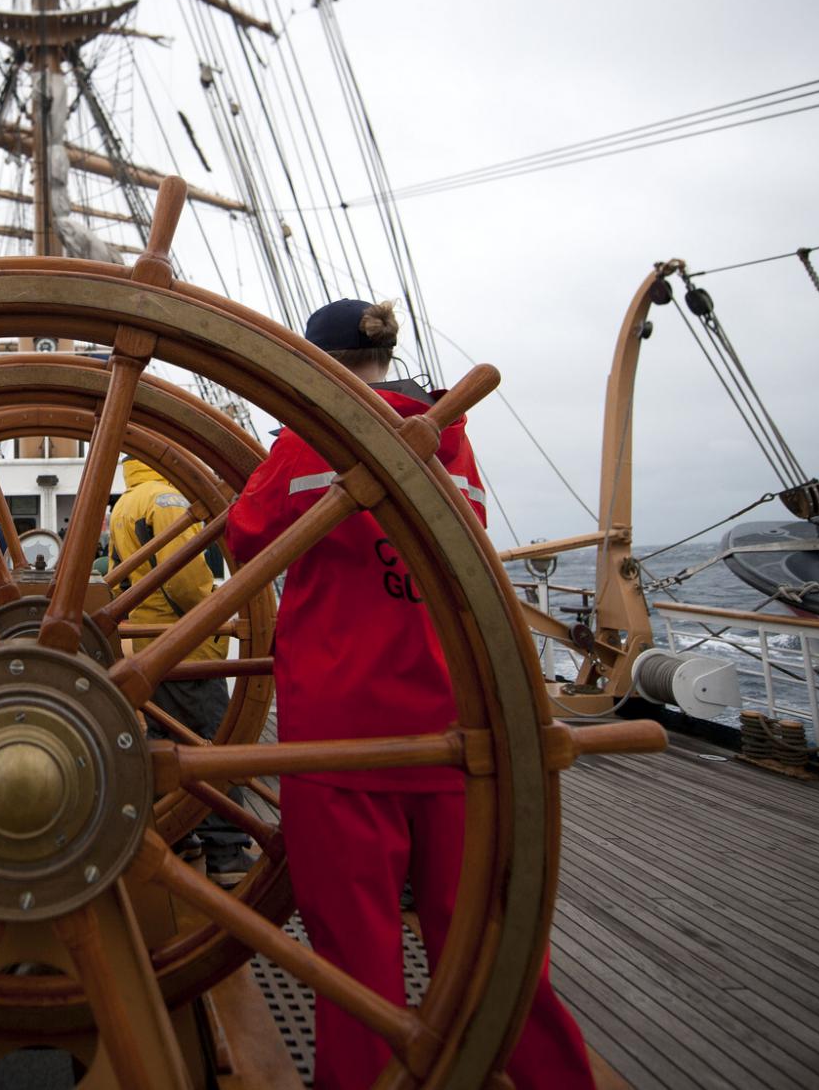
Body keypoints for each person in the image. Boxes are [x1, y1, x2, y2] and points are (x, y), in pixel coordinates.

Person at [225, 298, 595, 1090]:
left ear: (315, 363)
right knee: (497, 942)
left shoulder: (307, 439)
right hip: (454, 728)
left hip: (342, 735)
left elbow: (245, 534)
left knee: (358, 960)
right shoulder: (455, 444)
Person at [109, 457, 256, 884]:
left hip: (146, 646)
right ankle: (226, 849)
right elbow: (186, 578)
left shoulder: (125, 503)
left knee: (164, 742)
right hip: (186, 646)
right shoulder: (167, 498)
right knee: (210, 742)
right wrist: (216, 604)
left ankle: (176, 832)